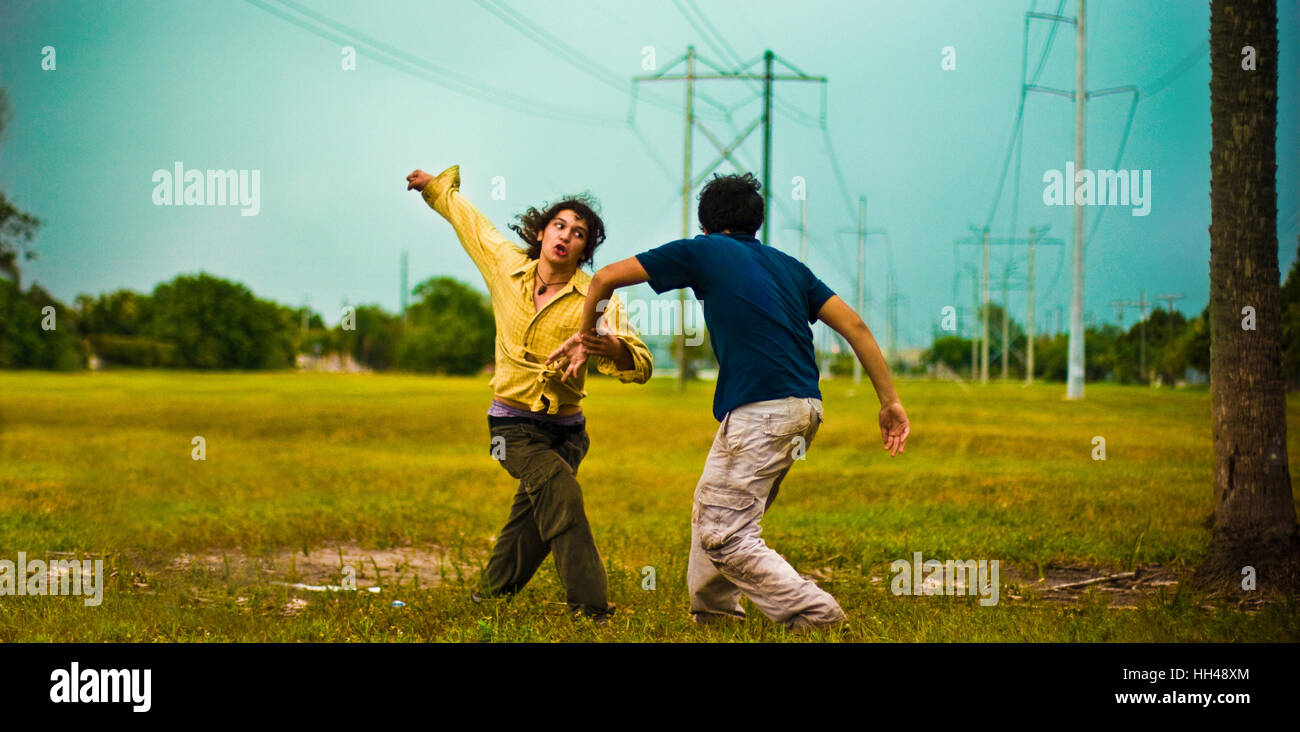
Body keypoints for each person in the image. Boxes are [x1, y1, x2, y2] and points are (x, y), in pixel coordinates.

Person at [550, 172, 909, 631]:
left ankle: (818, 617)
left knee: (726, 533)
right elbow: (855, 324)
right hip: (801, 407)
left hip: (763, 410)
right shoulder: (788, 266)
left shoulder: (703, 250)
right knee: (712, 507)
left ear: (706, 224)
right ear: (754, 224)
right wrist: (889, 401)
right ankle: (715, 614)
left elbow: (602, 279)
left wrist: (587, 335)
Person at [406, 165, 652, 623]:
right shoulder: (506, 265)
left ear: (586, 250)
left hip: (567, 432)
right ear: (540, 232)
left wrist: (603, 344)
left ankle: (491, 595)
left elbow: (639, 362)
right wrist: (435, 188)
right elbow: (471, 223)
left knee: (534, 520)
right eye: (559, 225)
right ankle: (592, 610)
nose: (566, 235)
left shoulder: (597, 298)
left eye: (579, 233)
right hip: (512, 427)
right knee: (561, 495)